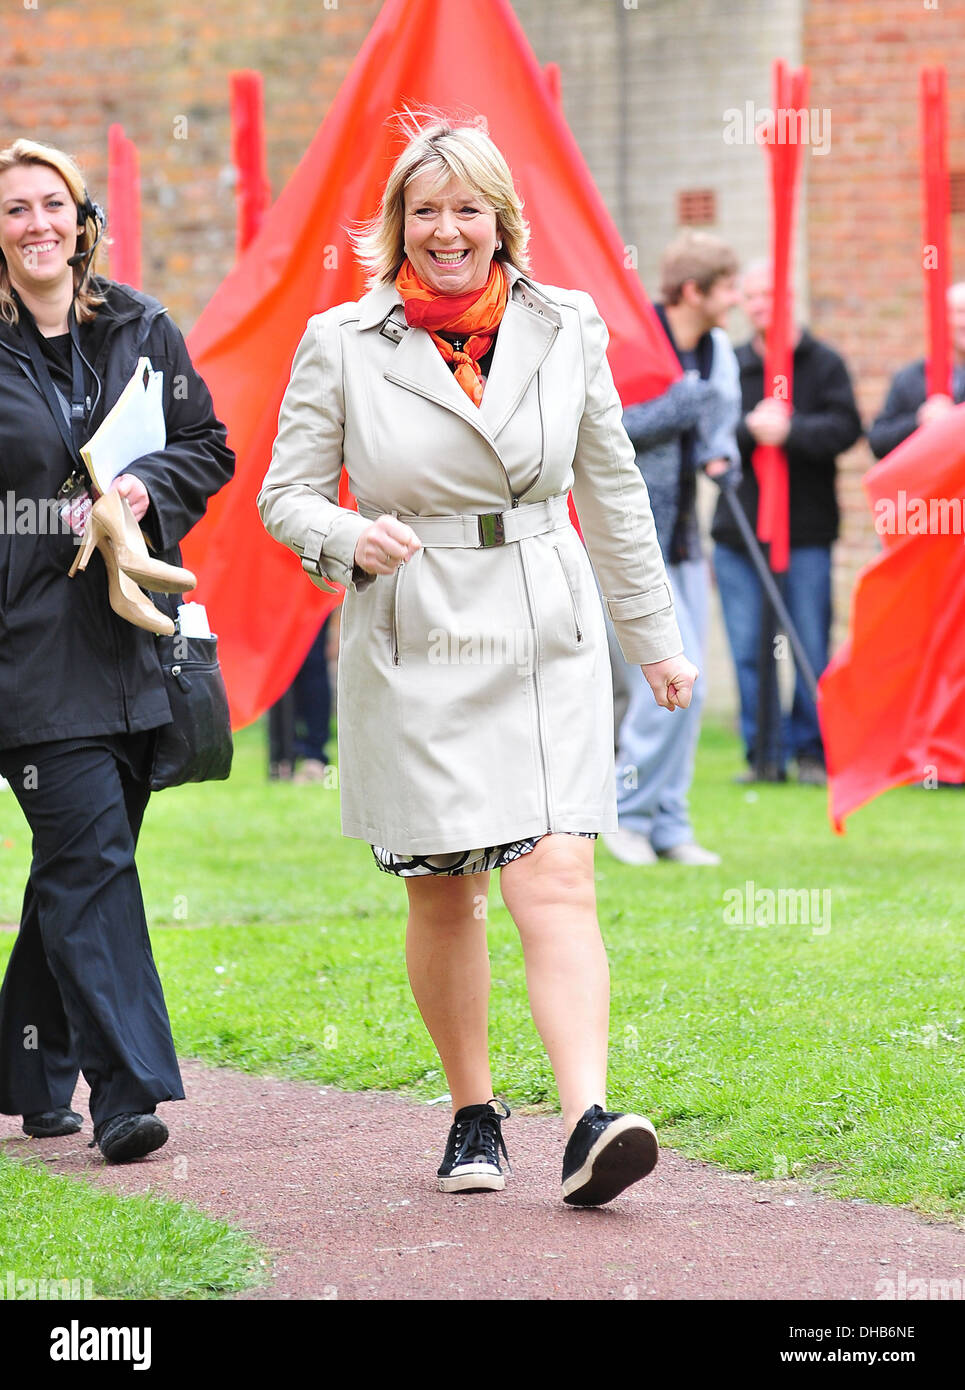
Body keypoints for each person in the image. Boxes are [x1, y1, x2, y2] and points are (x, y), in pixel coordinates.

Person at [258, 117, 697, 1206]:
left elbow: (612, 487)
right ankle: (471, 1111)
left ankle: (588, 1118)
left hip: (546, 618)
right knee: (447, 888)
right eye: (425, 210)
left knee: (556, 868)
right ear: (396, 225)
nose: (447, 230)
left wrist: (655, 640)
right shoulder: (343, 340)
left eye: (467, 208)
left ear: (501, 218)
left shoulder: (567, 327)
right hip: (415, 625)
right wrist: (343, 535)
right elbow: (284, 492)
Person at [0, 139, 234, 1162]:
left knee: (80, 859)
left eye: (53, 205)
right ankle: (126, 1090)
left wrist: (141, 492)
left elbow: (207, 446)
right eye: (14, 210)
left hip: (134, 638)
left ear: (82, 219)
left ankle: (26, 1069)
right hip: (25, 648)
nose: (37, 224)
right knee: (90, 852)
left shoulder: (141, 326)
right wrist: (53, 520)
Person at [603, 231, 741, 868]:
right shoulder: (635, 339)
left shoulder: (716, 352)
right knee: (665, 683)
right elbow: (608, 432)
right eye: (728, 288)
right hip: (630, 542)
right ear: (693, 291)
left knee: (691, 685)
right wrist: (678, 408)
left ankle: (669, 825)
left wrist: (723, 456)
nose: (736, 301)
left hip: (683, 541)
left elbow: (719, 428)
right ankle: (625, 814)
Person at [710, 262, 862, 784]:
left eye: (767, 294)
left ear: (790, 296)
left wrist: (790, 431)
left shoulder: (823, 363)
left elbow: (846, 427)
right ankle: (763, 755)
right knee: (749, 646)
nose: (758, 305)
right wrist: (752, 432)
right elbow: (712, 434)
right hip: (741, 532)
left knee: (808, 644)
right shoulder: (730, 364)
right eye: (749, 296)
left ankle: (810, 751)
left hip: (805, 532)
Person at [868, 282, 965, 459]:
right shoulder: (910, 379)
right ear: (942, 318)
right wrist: (918, 422)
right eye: (960, 312)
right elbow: (878, 441)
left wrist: (954, 422)